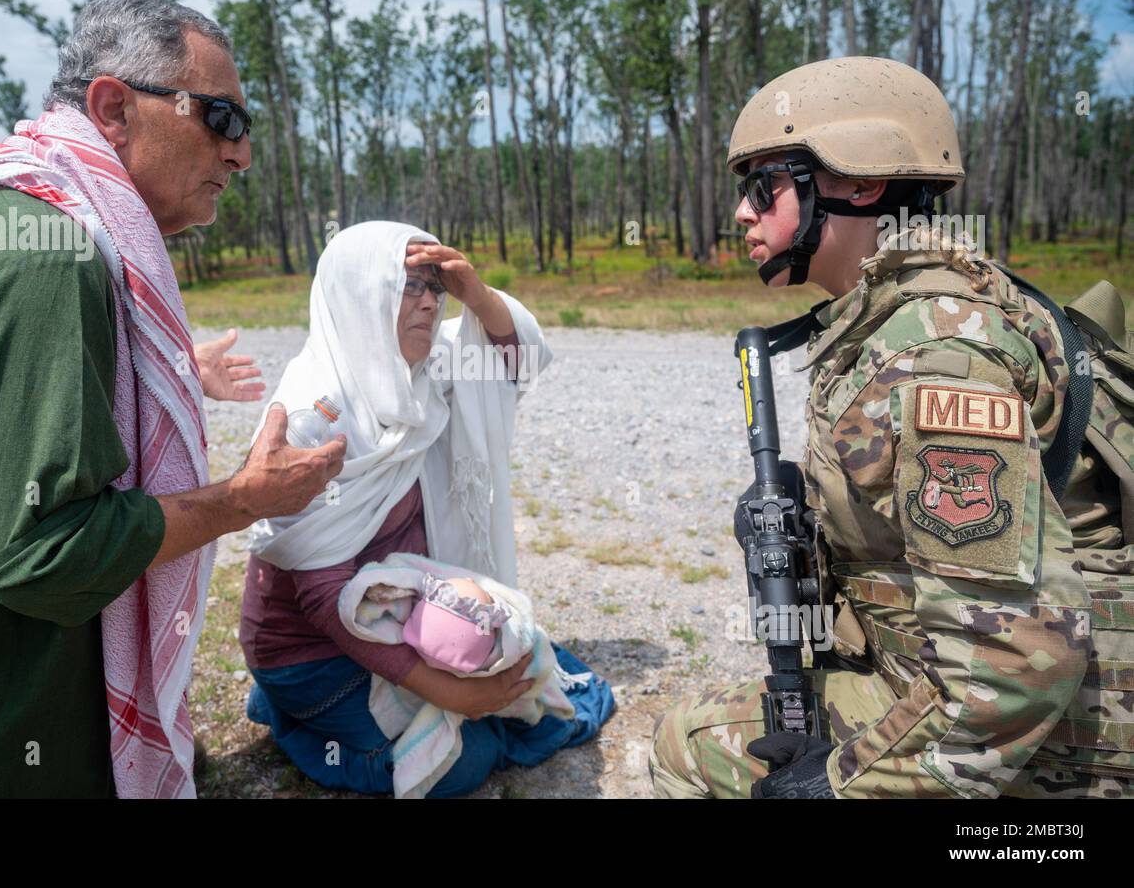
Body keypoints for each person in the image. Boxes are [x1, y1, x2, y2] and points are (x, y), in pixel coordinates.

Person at [0, 0, 344, 798]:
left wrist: (154, 373)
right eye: (223, 119)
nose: (241, 155)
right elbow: (46, 554)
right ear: (114, 109)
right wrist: (245, 499)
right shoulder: (44, 258)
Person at [648, 56, 1123, 798]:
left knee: (686, 745)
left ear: (860, 185)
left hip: (1056, 738)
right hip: (967, 681)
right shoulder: (907, 310)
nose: (743, 212)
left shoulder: (935, 357)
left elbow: (1021, 660)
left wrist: (841, 787)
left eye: (763, 187)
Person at [238, 220, 615, 797]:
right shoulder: (315, 415)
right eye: (408, 285)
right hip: (310, 650)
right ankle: (295, 715)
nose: (431, 302)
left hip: (394, 614)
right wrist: (450, 694)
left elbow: (517, 363)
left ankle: (310, 711)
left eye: (435, 286)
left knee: (521, 665)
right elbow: (322, 594)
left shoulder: (422, 374)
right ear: (362, 296)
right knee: (470, 756)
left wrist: (479, 295)